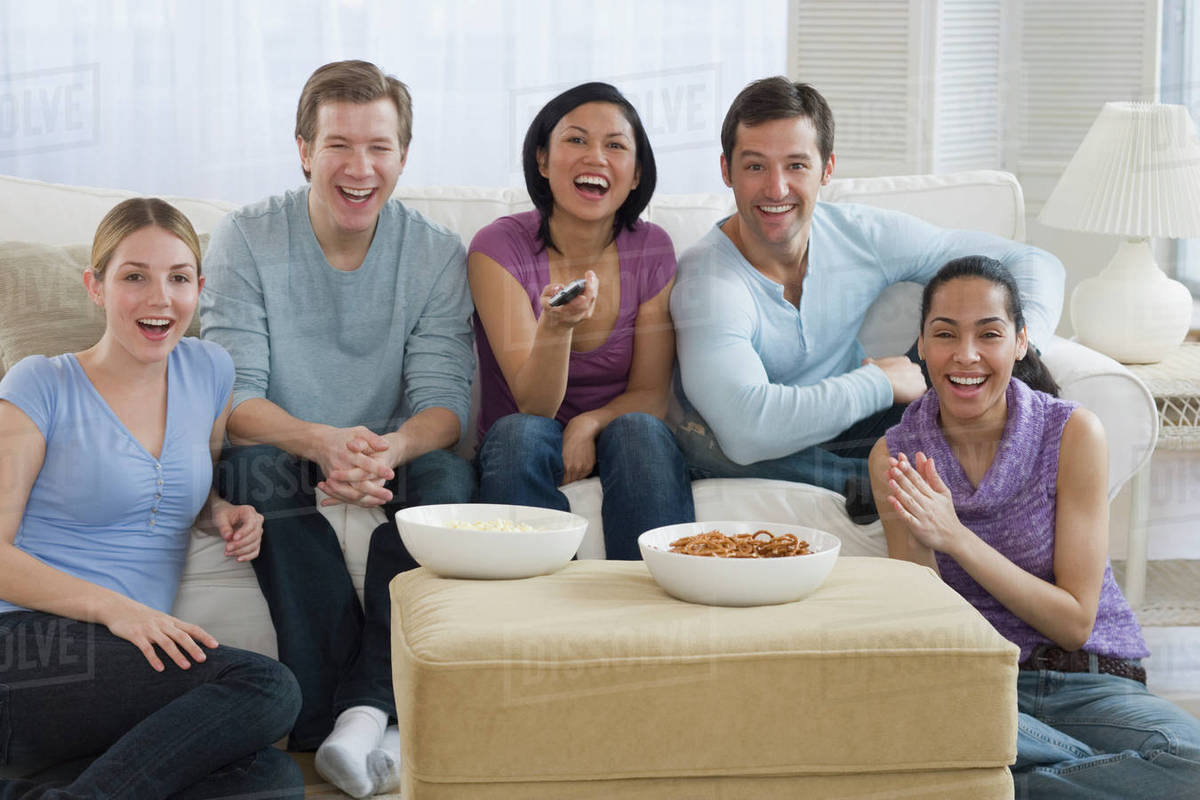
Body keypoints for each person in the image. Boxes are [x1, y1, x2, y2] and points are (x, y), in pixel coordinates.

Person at [199, 60, 475, 796]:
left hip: (390, 450)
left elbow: (446, 403)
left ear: (403, 156)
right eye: (339, 145)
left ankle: (359, 716)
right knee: (251, 471)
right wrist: (321, 442)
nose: (360, 168)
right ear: (303, 150)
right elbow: (235, 398)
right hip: (283, 442)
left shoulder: (435, 252)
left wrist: (392, 448)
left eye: (379, 147)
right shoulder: (245, 238)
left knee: (448, 481)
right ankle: (344, 721)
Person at [0, 198, 303, 798]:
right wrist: (118, 609)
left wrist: (219, 512)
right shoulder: (40, 384)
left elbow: (180, 485)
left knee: (269, 782)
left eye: (179, 278)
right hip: (27, 650)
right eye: (135, 276)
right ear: (96, 287)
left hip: (125, 665)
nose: (160, 298)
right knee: (267, 687)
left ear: (199, 290)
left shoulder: (209, 371)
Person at [869, 256, 1200, 798]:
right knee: (903, 725)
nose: (966, 354)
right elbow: (929, 630)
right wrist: (928, 543)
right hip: (980, 685)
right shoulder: (896, 456)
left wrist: (955, 537)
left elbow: (1073, 623)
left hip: (1089, 681)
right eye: (945, 334)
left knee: (1190, 761)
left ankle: (1004, 786)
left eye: (989, 334)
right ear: (922, 346)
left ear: (1020, 342)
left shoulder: (1071, 433)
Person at [669, 77, 1064, 523]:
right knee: (705, 442)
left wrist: (1022, 350)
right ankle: (870, 480)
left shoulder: (859, 234)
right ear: (727, 171)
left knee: (959, 342)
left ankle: (887, 476)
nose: (776, 189)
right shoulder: (709, 280)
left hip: (858, 426)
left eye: (796, 165)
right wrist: (877, 383)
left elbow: (1032, 262)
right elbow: (747, 431)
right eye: (755, 166)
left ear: (827, 169)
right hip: (764, 446)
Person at [470, 82, 694, 558]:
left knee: (639, 430)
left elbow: (651, 394)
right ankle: (531, 599)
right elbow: (533, 404)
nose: (596, 157)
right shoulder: (497, 248)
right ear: (543, 160)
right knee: (521, 432)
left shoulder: (652, 248)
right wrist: (557, 328)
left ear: (636, 174)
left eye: (615, 145)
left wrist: (587, 424)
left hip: (619, 436)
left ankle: (654, 600)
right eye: (576, 140)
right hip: (526, 437)